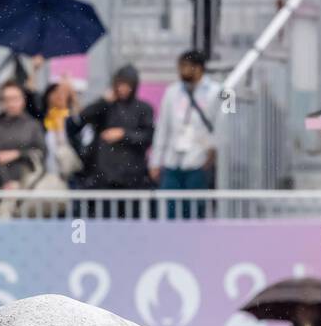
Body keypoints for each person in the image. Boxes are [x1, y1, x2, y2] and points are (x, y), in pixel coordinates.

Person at [150, 49, 221, 218]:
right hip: (172, 160)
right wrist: (155, 161)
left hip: (198, 160)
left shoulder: (216, 91)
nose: (181, 71)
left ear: (198, 68)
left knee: (195, 211)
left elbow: (223, 125)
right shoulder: (172, 92)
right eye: (180, 66)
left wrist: (213, 150)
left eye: (186, 67)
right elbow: (163, 128)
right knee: (171, 211)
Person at [68, 63, 154, 194]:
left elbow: (148, 136)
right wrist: (102, 101)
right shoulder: (105, 106)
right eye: (120, 84)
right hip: (103, 176)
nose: (123, 88)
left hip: (132, 177)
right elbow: (81, 119)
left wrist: (123, 134)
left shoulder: (143, 109)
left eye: (127, 85)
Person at [0, 79, 44, 188]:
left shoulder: (33, 125)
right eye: (7, 99)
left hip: (32, 183)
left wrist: (17, 153)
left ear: (23, 100)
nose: (11, 103)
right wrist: (6, 182)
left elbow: (40, 152)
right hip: (5, 186)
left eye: (15, 98)